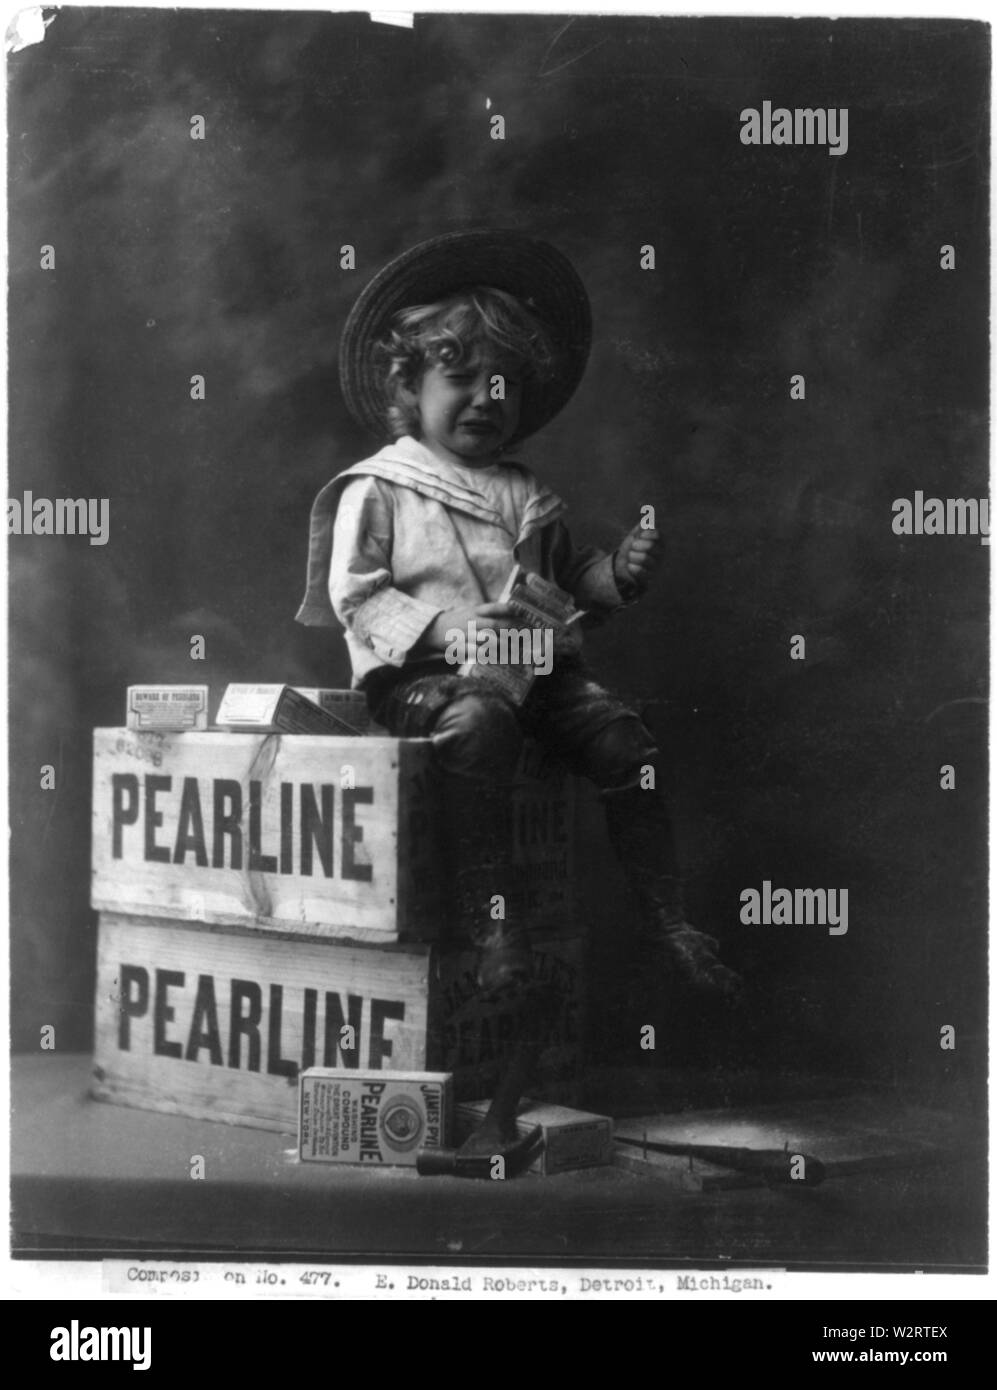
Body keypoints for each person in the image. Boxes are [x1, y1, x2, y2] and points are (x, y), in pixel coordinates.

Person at [297, 231, 740, 1172]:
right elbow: (357, 594)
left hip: (532, 666)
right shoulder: (378, 488)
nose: (483, 401)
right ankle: (492, 920)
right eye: (459, 379)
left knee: (624, 738)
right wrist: (445, 633)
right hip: (425, 682)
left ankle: (667, 913)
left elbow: (564, 580)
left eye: (502, 386)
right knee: (478, 723)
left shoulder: (523, 492)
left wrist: (616, 573)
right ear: (407, 388)